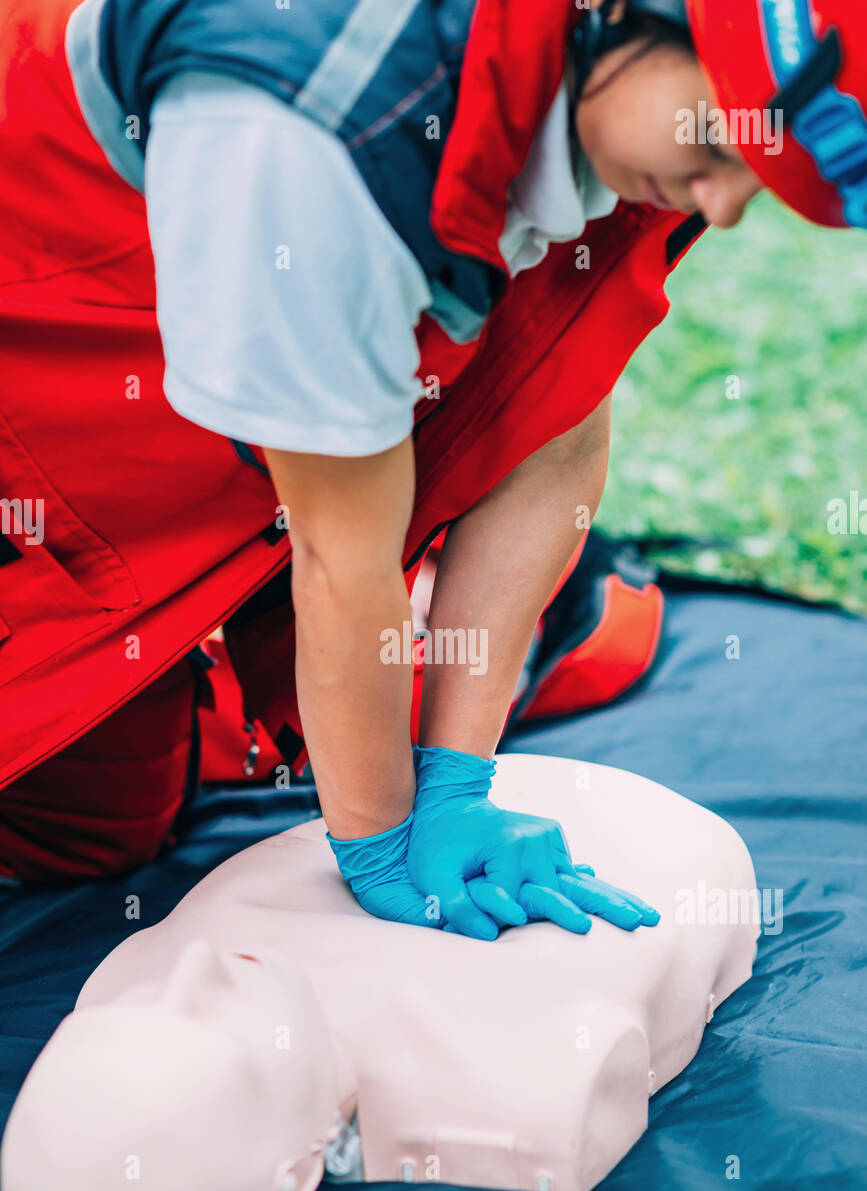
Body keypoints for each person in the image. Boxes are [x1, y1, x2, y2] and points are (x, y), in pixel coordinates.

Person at [0, 1, 862, 931]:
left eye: (765, 183)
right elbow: (340, 557)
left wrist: (455, 779)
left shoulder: (605, 104)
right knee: (74, 802)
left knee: (115, 821)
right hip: (51, 395)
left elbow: (554, 408)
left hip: (232, 415)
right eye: (726, 145)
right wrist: (376, 842)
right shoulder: (312, 131)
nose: (724, 207)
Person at [0, 754, 759, 1191]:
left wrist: (455, 780)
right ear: (298, 1175)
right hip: (658, 831)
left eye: (130, 1015)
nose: (191, 972)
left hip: (481, 793)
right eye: (213, 1030)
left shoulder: (138, 970)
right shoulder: (525, 1088)